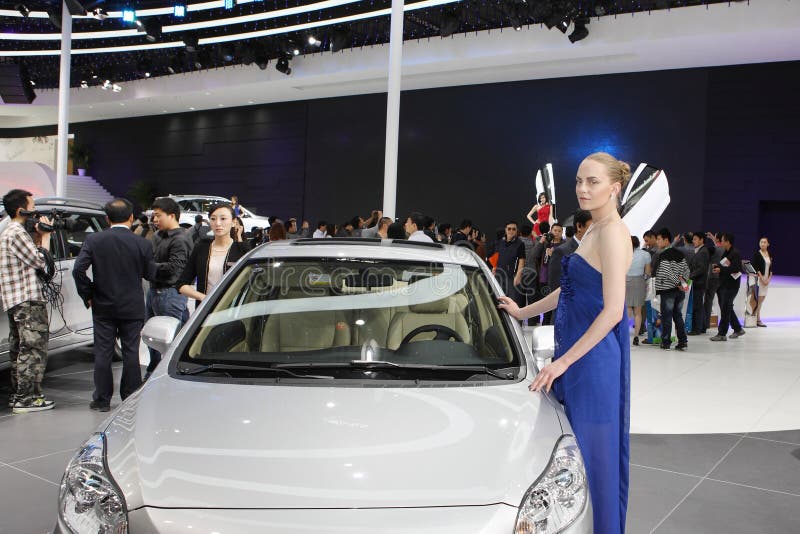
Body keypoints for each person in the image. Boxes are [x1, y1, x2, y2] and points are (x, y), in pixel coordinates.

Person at [499, 152, 631, 534]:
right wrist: (524, 313)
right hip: (577, 357)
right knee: (573, 459)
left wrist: (562, 363)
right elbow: (568, 290)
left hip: (593, 361)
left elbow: (613, 312)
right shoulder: (593, 228)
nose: (582, 189)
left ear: (615, 187)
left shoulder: (613, 233)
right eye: (578, 181)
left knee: (592, 458)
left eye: (592, 182)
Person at [72, 199, 157, 412]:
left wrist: (88, 293)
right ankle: (130, 397)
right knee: (131, 352)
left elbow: (78, 270)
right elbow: (149, 274)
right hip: (132, 306)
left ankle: (101, 400)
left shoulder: (94, 239)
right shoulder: (143, 243)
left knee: (103, 353)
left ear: (107, 218)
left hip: (103, 305)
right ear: (131, 218)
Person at [0, 189, 56, 413]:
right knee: (33, 348)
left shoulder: (8, 230)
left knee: (20, 348)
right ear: (21, 209)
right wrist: (45, 237)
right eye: (31, 205)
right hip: (27, 300)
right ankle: (27, 399)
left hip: (15, 300)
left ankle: (19, 395)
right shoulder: (16, 231)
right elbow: (39, 262)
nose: (35, 210)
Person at [146, 197, 193, 379]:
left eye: (158, 216)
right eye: (153, 216)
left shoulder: (181, 238)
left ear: (172, 215)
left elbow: (175, 269)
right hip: (155, 290)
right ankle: (154, 371)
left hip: (170, 292)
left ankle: (167, 376)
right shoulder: (158, 235)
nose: (155, 220)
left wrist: (148, 267)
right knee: (153, 337)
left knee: (169, 339)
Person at [178, 203, 250, 304]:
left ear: (234, 222)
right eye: (213, 219)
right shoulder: (201, 248)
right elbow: (182, 284)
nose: (218, 223)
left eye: (223, 219)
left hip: (234, 311)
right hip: (205, 312)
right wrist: (204, 298)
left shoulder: (241, 250)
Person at [653, 228, 690, 351]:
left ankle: (666, 342)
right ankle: (683, 341)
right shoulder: (680, 254)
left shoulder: (663, 254)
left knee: (667, 316)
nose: (657, 242)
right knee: (678, 316)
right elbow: (687, 270)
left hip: (668, 290)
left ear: (666, 240)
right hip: (679, 291)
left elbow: (666, 271)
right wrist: (682, 283)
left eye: (659, 239)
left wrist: (678, 282)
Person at [710, 233, 745, 341]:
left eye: (723, 240)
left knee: (725, 307)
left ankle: (722, 333)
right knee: (727, 307)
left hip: (732, 286)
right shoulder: (726, 252)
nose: (721, 242)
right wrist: (717, 266)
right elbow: (724, 265)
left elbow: (736, 269)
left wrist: (721, 269)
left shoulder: (735, 253)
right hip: (724, 284)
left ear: (728, 242)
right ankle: (738, 329)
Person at [494, 221, 526, 311]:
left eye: (513, 229)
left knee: (512, 301)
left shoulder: (520, 244)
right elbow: (496, 256)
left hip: (511, 276)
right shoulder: (500, 242)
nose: (511, 231)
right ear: (505, 230)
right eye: (509, 229)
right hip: (499, 274)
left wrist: (518, 275)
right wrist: (494, 268)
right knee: (499, 299)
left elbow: (522, 260)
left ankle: (515, 323)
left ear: (516, 231)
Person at [626, 236, 651, 346]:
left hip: (625, 281)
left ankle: (624, 335)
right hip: (639, 281)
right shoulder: (645, 254)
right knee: (638, 311)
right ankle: (636, 336)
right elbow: (648, 272)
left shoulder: (622, 254)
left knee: (626, 310)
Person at [687, 231, 710, 335]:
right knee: (699, 305)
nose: (693, 241)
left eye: (695, 239)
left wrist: (690, 276)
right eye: (693, 239)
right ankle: (702, 327)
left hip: (699, 282)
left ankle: (697, 329)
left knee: (697, 306)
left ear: (701, 240)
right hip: (697, 282)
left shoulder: (703, 251)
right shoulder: (699, 250)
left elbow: (702, 268)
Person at [750, 237, 773, 327]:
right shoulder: (757, 254)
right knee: (758, 299)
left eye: (764, 242)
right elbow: (756, 267)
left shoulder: (769, 253)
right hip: (759, 279)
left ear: (768, 244)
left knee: (762, 299)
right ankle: (757, 319)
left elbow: (771, 267)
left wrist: (769, 278)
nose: (763, 244)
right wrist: (762, 278)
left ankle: (757, 317)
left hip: (766, 280)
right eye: (761, 242)